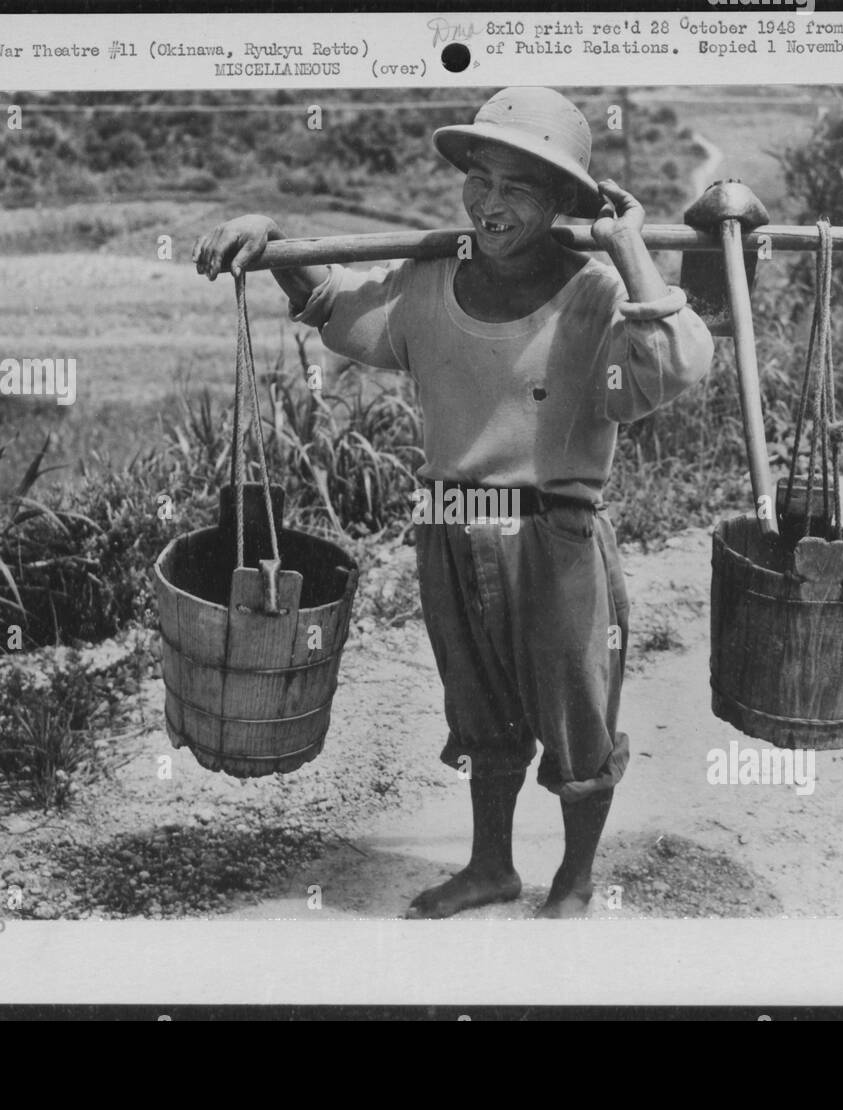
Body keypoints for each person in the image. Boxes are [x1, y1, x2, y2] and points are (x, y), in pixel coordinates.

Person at [193, 87, 714, 918]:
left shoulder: (595, 296)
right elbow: (336, 308)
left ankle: (575, 882)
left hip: (555, 538)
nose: (490, 204)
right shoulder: (432, 279)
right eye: (481, 179)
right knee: (478, 710)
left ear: (562, 205)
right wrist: (276, 242)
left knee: (577, 713)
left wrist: (628, 251)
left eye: (519, 188)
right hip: (449, 533)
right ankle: (492, 866)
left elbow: (680, 364)